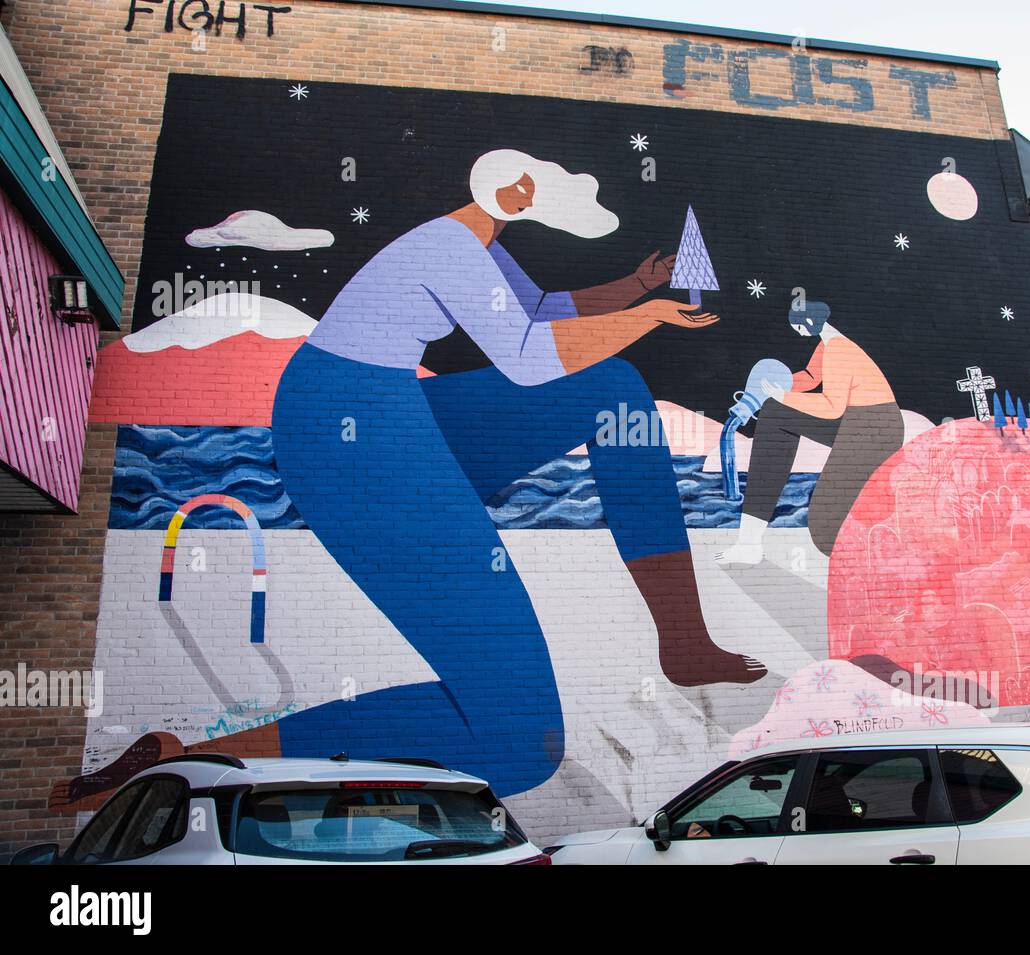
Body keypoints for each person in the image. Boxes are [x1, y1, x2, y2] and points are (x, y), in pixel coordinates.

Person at [51, 149, 765, 812]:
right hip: (348, 435)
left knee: (612, 389)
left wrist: (632, 287)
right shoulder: (448, 245)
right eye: (542, 190)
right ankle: (189, 762)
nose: (553, 203)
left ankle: (684, 639)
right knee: (520, 740)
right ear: (513, 193)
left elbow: (542, 311)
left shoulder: (475, 245)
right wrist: (645, 316)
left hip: (384, 407)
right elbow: (525, 354)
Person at [716, 301, 902, 563]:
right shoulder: (826, 345)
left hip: (874, 427)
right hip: (854, 420)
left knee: (824, 528)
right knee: (774, 413)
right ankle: (749, 542)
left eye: (799, 327)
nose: (799, 333)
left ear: (810, 323)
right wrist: (766, 388)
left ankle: (869, 554)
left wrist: (781, 395)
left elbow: (831, 407)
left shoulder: (839, 349)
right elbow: (809, 377)